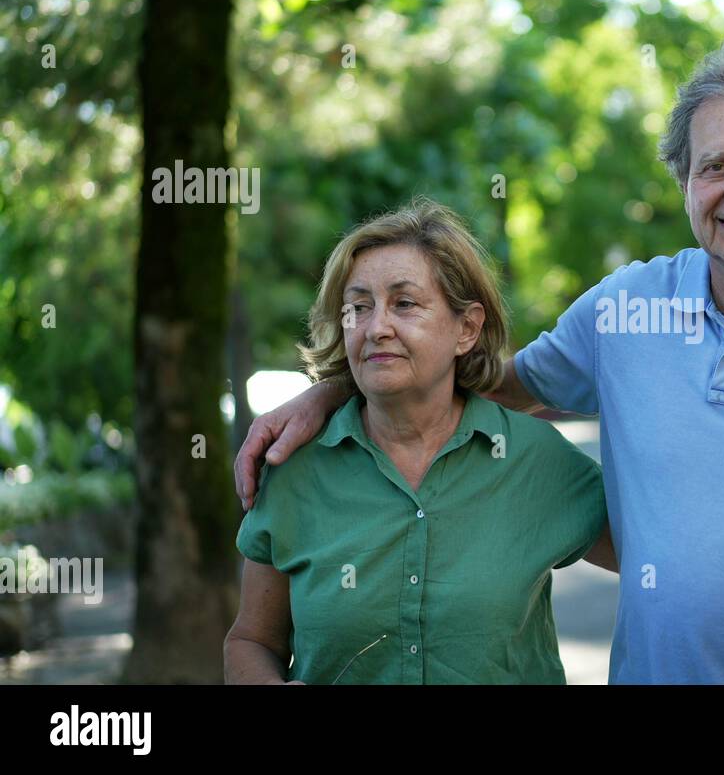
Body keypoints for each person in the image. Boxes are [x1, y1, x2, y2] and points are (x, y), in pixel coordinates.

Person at [236, 39, 724, 684]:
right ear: (684, 182)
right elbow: (479, 380)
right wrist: (334, 390)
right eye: (714, 166)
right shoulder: (625, 310)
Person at [223, 200, 617, 684]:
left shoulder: (537, 459)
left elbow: (667, 566)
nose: (376, 327)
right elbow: (251, 641)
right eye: (358, 308)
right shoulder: (297, 467)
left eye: (404, 303)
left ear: (467, 328)